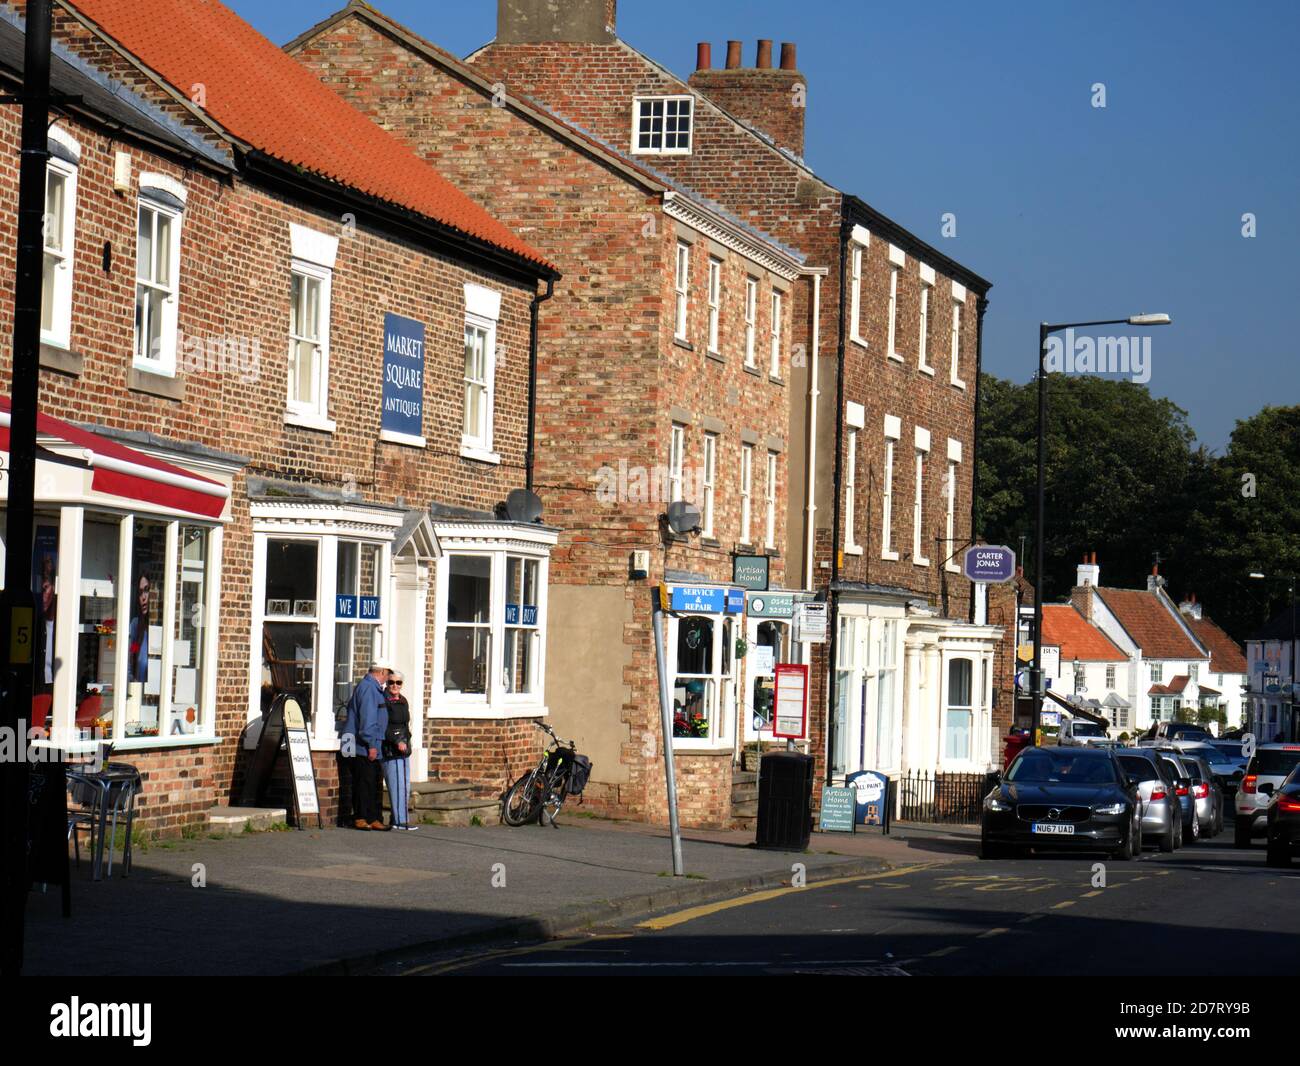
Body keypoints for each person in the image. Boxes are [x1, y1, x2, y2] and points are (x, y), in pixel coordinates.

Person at [342, 658, 391, 831]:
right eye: (388, 673)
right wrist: (371, 744)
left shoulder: (372, 688)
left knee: (370, 783)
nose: (389, 677)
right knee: (365, 783)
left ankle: (372, 817)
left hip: (367, 744)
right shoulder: (369, 688)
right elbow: (368, 720)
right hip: (364, 746)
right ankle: (362, 817)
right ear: (382, 672)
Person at [382, 670, 416, 831]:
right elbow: (383, 726)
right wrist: (396, 741)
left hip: (404, 747)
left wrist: (406, 739)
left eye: (398, 682)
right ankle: (400, 821)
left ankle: (399, 818)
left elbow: (405, 725)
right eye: (391, 682)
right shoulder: (384, 701)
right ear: (387, 684)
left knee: (404, 784)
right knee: (396, 785)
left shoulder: (403, 701)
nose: (395, 686)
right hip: (391, 748)